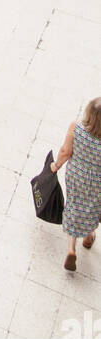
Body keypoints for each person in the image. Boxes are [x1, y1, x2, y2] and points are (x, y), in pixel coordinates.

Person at [50, 98, 101, 272]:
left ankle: (71, 249)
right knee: (92, 207)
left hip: (76, 176)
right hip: (98, 182)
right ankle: (88, 236)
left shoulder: (76, 128)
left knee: (74, 204)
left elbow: (65, 151)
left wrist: (56, 166)